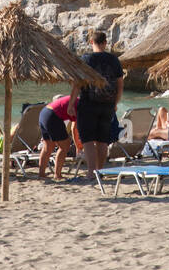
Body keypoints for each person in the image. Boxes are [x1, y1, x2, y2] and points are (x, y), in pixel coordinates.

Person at [78, 31, 124, 176]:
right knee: (102, 140)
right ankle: (100, 171)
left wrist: (72, 101)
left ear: (91, 42)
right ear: (105, 43)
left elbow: (77, 82)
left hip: (88, 104)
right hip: (108, 105)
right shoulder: (114, 60)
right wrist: (115, 102)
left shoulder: (86, 59)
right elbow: (120, 84)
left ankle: (91, 172)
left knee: (88, 140)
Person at [37, 93, 76, 180]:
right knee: (65, 145)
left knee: (48, 146)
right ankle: (57, 175)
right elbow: (75, 128)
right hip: (53, 115)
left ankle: (41, 174)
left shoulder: (77, 100)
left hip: (44, 113)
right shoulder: (82, 106)